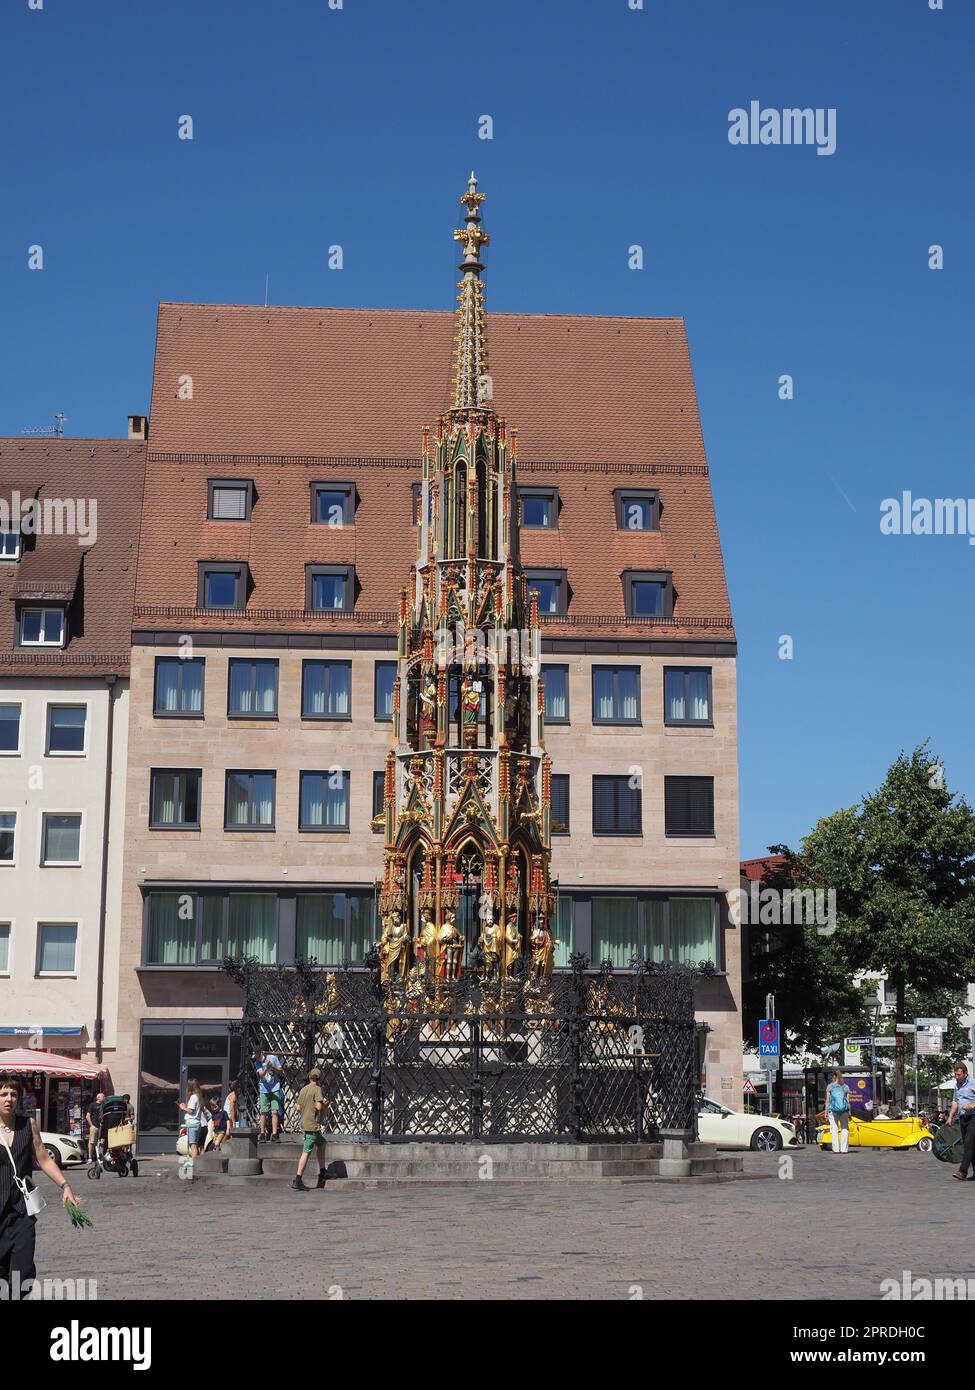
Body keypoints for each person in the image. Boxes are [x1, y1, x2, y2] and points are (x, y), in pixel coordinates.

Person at [0, 1074, 77, 1294]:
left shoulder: (27, 1125)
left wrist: (65, 1186)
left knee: (23, 1272)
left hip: (21, 1211)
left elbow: (44, 1158)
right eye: (3, 1094)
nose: (9, 1099)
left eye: (13, 1094)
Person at [291, 1068, 327, 1192]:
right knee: (306, 1151)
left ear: (309, 1077)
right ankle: (298, 1179)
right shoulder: (317, 1089)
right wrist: (325, 1104)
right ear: (319, 1078)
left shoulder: (303, 1089)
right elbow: (318, 1106)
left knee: (321, 1143)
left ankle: (323, 1171)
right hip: (312, 1125)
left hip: (305, 1123)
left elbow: (298, 1107)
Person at [947, 1062, 975, 1181]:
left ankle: (962, 1171)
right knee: (970, 1146)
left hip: (973, 1117)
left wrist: (972, 1105)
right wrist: (950, 1116)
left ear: (965, 1073)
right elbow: (955, 1101)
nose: (956, 1077)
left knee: (969, 1144)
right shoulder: (957, 1085)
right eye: (955, 1075)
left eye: (959, 1075)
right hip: (962, 1118)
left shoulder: (973, 1082)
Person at [255, 1048, 284, 1143]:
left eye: (257, 1055)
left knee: (274, 1111)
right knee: (263, 1112)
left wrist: (273, 1067)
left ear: (262, 1053)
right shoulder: (257, 1063)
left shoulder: (273, 1058)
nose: (257, 1058)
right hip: (264, 1089)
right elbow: (261, 1075)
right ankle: (262, 1134)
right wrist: (267, 1067)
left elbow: (281, 1071)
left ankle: (274, 1134)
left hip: (274, 1088)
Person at [826, 1070, 852, 1154]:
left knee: (834, 1129)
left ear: (834, 1077)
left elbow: (827, 1101)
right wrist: (849, 1113)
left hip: (833, 1110)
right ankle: (844, 1149)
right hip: (844, 1110)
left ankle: (836, 1149)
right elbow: (848, 1102)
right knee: (845, 1128)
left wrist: (826, 1111)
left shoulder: (830, 1087)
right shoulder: (845, 1087)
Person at [178, 1079, 205, 1159]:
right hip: (196, 1123)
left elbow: (190, 1110)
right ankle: (197, 1162)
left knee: (193, 1146)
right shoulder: (198, 1096)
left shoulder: (193, 1097)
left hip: (192, 1123)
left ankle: (194, 1163)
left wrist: (183, 1108)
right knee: (195, 1144)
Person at [85, 1092, 105, 1163]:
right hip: (94, 1126)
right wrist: (91, 1125)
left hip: (102, 1127)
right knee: (92, 1142)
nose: (104, 1097)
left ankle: (100, 1157)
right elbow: (87, 1116)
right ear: (98, 1098)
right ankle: (90, 1157)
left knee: (102, 1142)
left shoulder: (104, 1105)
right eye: (103, 1096)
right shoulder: (92, 1105)